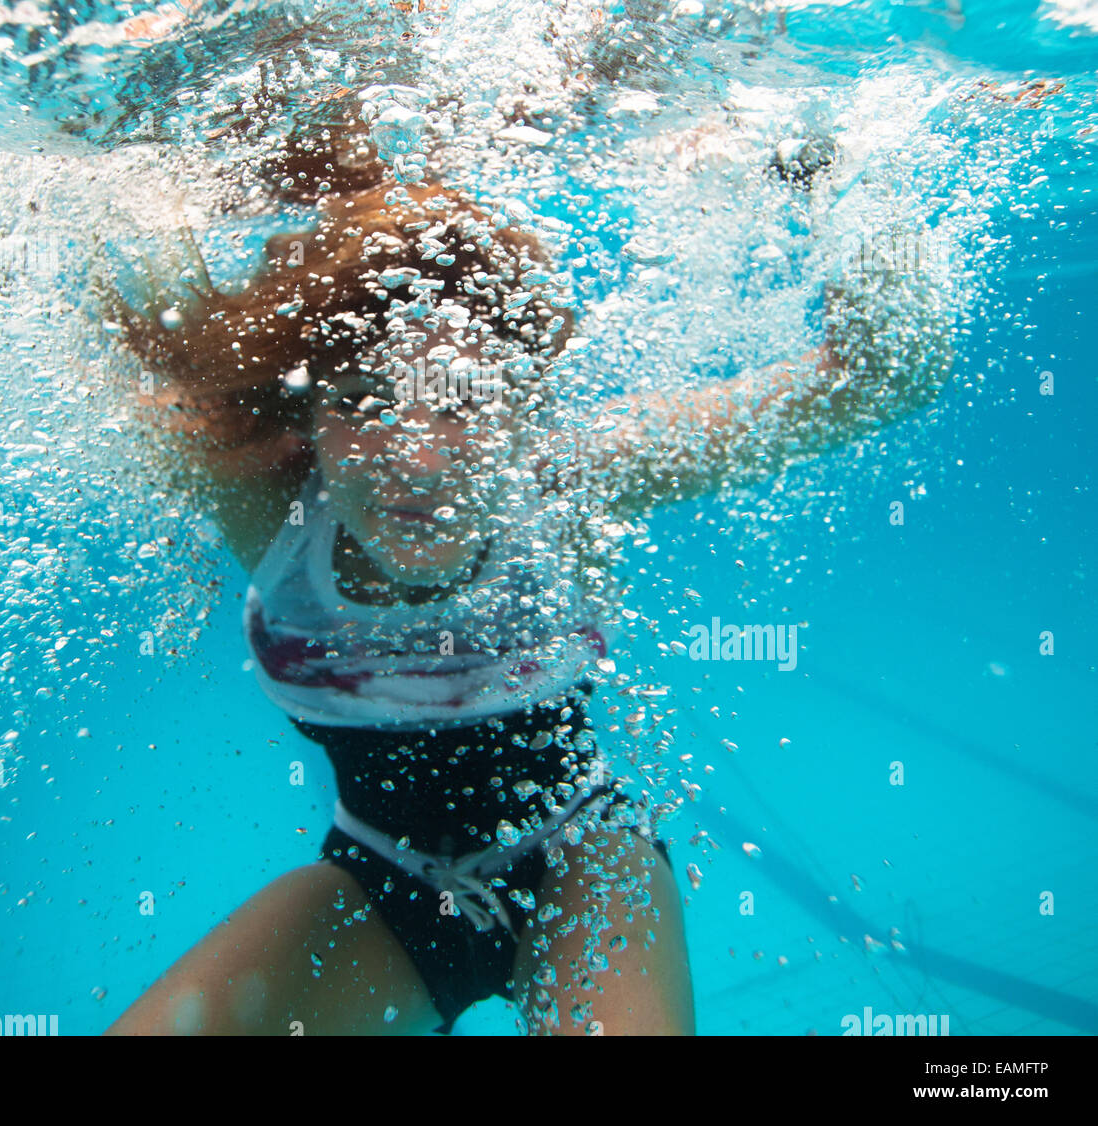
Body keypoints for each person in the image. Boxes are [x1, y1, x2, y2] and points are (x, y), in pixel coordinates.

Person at [98, 154, 956, 1037]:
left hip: (582, 860)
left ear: (522, 407)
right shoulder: (266, 506)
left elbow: (879, 380)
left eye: (461, 401)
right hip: (376, 878)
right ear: (309, 420)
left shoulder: (569, 486)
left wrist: (842, 168)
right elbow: (124, 269)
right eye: (362, 402)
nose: (416, 461)